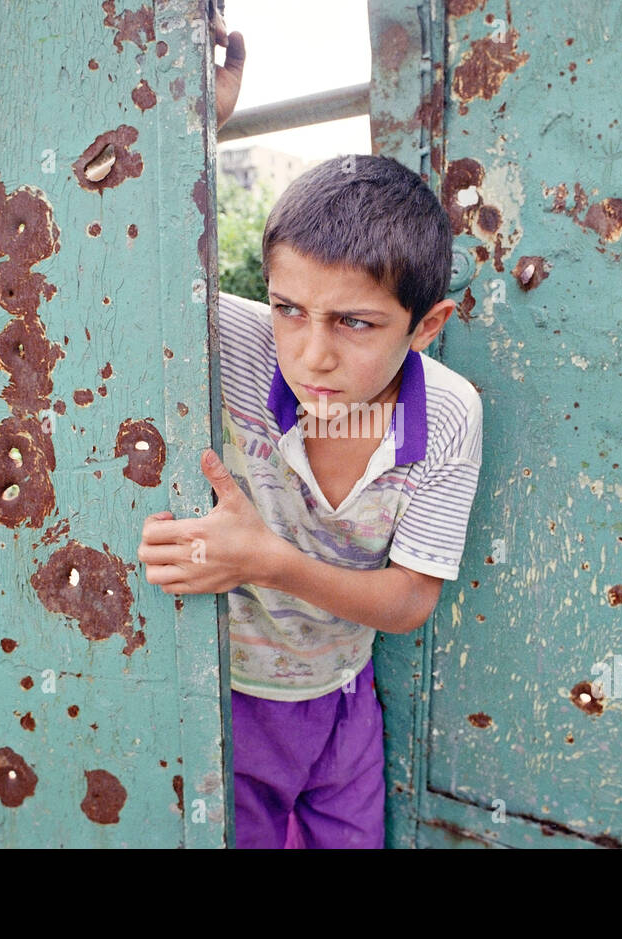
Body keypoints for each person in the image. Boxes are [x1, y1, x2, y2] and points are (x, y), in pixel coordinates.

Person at [137, 24, 483, 849]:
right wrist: (197, 129)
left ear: (425, 325)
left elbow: (409, 599)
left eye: (355, 322)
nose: (311, 352)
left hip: (340, 703)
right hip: (220, 697)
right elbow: (128, 252)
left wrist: (269, 560)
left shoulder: (451, 416)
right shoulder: (241, 342)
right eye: (291, 307)